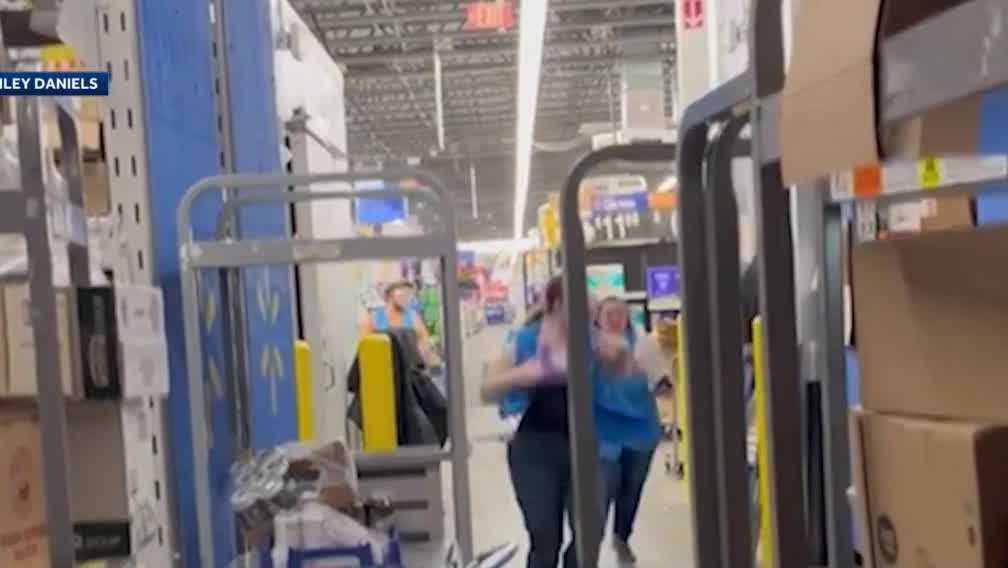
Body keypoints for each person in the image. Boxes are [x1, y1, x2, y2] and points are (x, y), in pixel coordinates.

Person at [481, 276, 607, 568]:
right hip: (535, 449)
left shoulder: (596, 343)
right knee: (545, 537)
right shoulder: (525, 340)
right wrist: (525, 375)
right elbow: (487, 389)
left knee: (591, 532)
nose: (589, 317)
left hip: (589, 449)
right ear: (557, 305)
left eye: (591, 312)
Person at [592, 297, 663, 566]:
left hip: (639, 434)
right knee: (603, 491)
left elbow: (659, 382)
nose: (615, 319)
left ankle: (622, 537)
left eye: (620, 314)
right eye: (609, 313)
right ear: (597, 318)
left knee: (631, 490)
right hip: (604, 436)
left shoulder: (644, 344)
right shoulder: (588, 346)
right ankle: (590, 549)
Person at [359, 280, 441, 367]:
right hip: (381, 368)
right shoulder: (374, 317)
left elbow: (425, 342)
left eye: (409, 295)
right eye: (403, 292)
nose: (407, 297)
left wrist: (423, 353)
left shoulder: (413, 317)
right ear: (390, 294)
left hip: (408, 369)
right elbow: (363, 346)